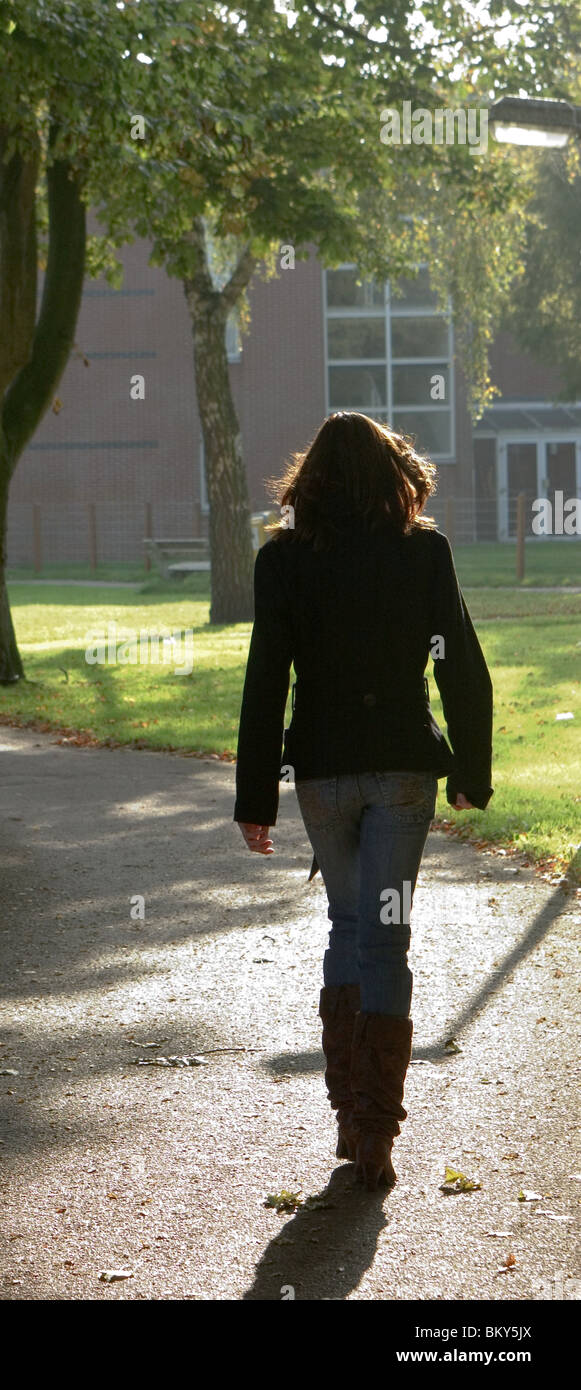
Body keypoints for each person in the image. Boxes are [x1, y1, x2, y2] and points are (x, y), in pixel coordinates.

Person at [233, 411, 493, 1191]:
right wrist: (471, 772)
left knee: (347, 926)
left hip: (321, 770)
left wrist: (255, 797)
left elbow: (265, 680)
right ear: (396, 478)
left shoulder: (282, 563)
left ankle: (350, 1116)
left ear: (308, 483)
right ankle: (376, 1134)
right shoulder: (423, 553)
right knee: (387, 935)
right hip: (402, 770)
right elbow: (459, 666)